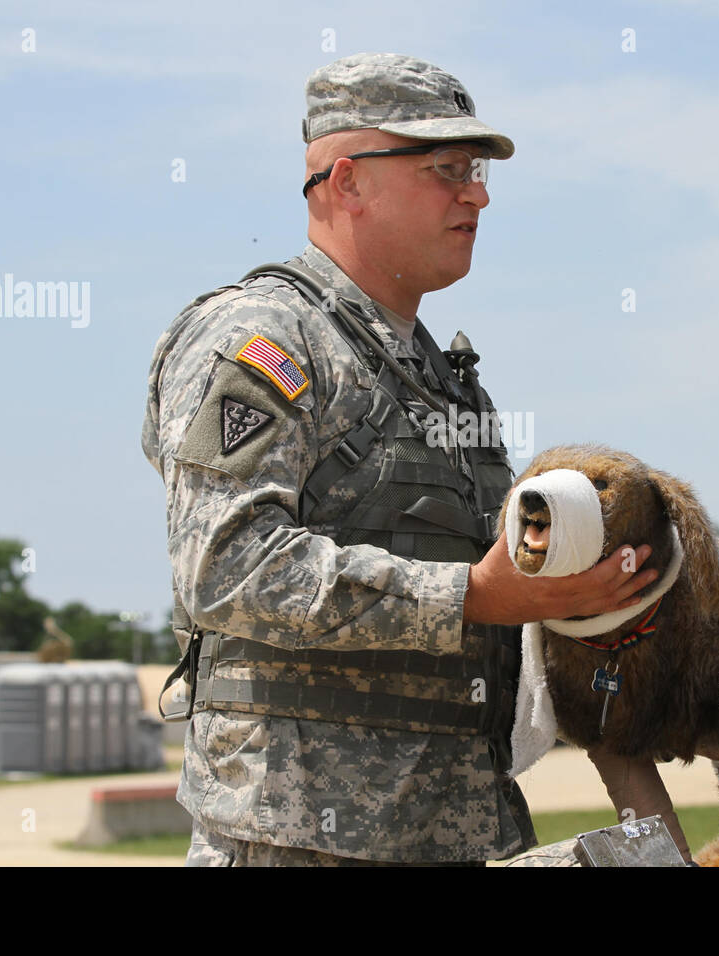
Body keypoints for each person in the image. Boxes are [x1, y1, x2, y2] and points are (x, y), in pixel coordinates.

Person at [140, 52, 658, 866]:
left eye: (477, 171)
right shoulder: (266, 337)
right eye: (446, 169)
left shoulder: (439, 378)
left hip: (448, 824)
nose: (477, 194)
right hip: (300, 832)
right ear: (347, 181)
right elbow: (227, 567)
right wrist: (473, 596)